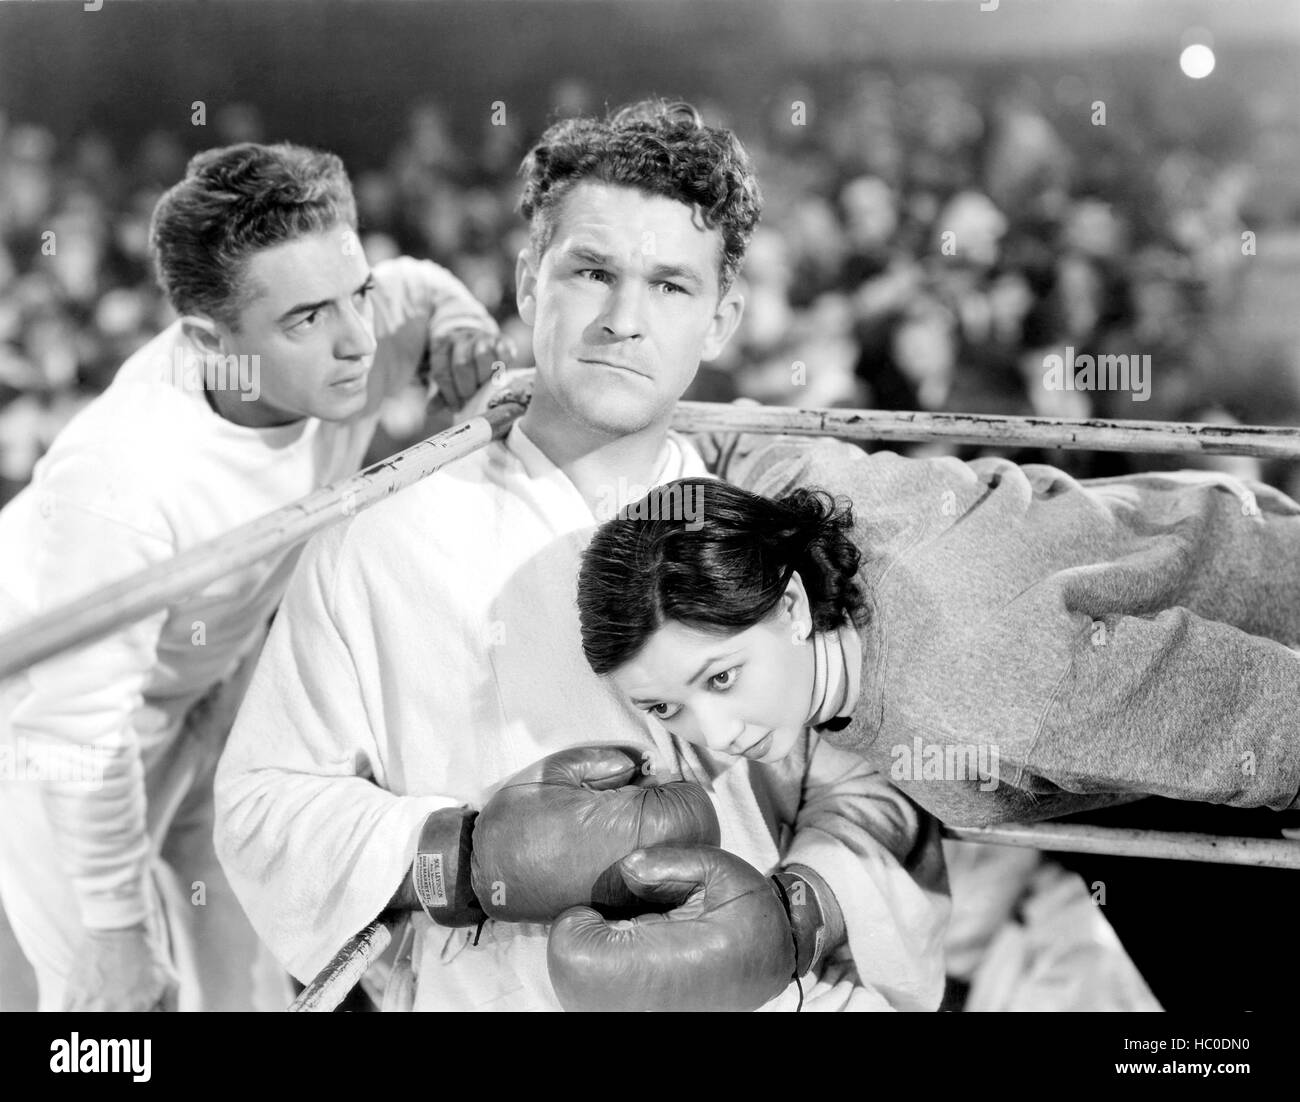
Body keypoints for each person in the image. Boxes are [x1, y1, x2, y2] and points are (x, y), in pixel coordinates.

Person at [214, 101, 950, 1013]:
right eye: (592, 271)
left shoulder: (761, 523)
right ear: (529, 280)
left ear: (721, 318)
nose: (623, 320)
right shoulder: (379, 536)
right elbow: (259, 807)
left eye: (671, 287)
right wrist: (460, 854)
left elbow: (873, 783)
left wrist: (802, 913)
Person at [0, 141, 508, 1011]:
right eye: (306, 319)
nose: (356, 341)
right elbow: (77, 729)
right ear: (209, 340)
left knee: (248, 986)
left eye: (356, 293)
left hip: (216, 685)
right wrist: (118, 934)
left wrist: (462, 324)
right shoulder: (121, 477)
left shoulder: (369, 322)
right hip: (60, 737)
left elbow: (417, 286)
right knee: (111, 1019)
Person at [576, 456, 1300, 828]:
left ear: (791, 605)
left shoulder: (981, 693)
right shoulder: (792, 497)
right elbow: (771, 451)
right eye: (666, 708)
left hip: (1270, 614)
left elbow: (1281, 727)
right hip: (1201, 532)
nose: (717, 735)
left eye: (721, 679)